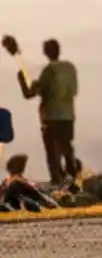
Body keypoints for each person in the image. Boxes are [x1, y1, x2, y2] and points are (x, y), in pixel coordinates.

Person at [16, 39, 80, 188]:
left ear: (46, 52)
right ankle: (73, 178)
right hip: (68, 115)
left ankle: (58, 182)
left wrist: (22, 80)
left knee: (53, 152)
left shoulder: (49, 71)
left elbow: (30, 93)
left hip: (51, 117)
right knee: (67, 148)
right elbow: (74, 91)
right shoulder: (70, 68)